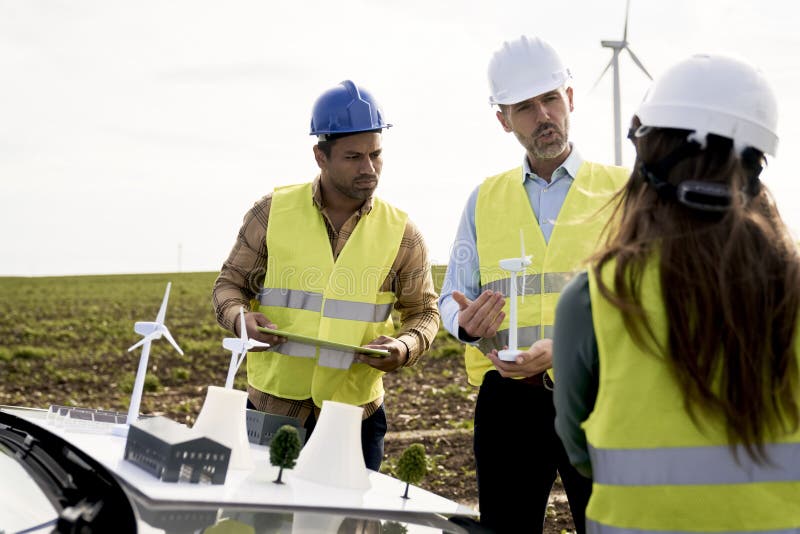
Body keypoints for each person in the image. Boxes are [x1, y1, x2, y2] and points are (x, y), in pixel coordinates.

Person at [553, 54, 800, 533]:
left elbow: (578, 448)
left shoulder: (595, 298)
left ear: (647, 159)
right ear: (753, 168)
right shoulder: (792, 290)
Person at [438, 35, 629, 532]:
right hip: (508, 404)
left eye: (549, 99)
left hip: (600, 394)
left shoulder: (626, 192)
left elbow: (649, 304)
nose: (542, 115)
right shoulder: (483, 200)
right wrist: (467, 325)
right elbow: (450, 297)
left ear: (569, 97)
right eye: (524, 107)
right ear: (503, 119)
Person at [212, 80, 439, 471]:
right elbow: (228, 286)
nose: (369, 168)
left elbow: (425, 313)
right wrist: (240, 319)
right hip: (272, 407)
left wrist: (404, 347)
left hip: (353, 416)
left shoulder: (403, 233)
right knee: (265, 524)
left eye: (376, 155)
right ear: (320, 155)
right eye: (353, 157)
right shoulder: (270, 212)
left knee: (346, 528)